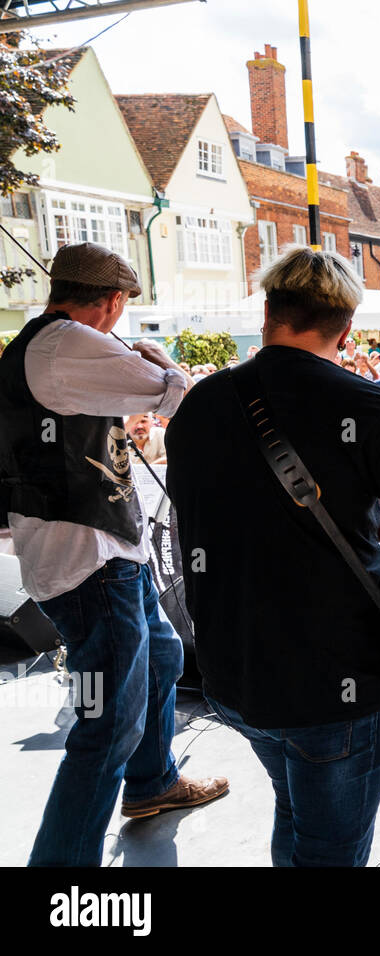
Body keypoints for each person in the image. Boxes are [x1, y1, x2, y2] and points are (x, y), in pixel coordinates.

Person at [166, 247, 380, 866]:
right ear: (347, 328)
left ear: (267, 310)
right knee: (329, 849)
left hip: (229, 671)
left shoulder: (198, 403)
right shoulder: (370, 408)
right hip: (331, 688)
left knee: (295, 808)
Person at [0, 242, 226, 867]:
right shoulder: (69, 343)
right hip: (88, 559)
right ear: (114, 302)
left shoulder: (44, 342)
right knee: (108, 728)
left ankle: (152, 784)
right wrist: (160, 361)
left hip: (97, 550)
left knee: (162, 651)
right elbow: (172, 394)